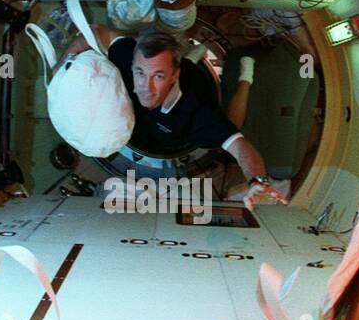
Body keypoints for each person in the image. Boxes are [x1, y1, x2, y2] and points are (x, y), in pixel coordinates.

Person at [53, 25, 286, 209]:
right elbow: (97, 31)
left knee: (232, 126)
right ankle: (193, 56)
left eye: (158, 76)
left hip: (189, 107)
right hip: (162, 100)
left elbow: (240, 146)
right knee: (181, 65)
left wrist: (258, 182)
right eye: (140, 73)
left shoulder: (196, 114)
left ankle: (247, 76)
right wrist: (62, 66)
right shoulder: (128, 57)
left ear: (173, 77)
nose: (146, 87)